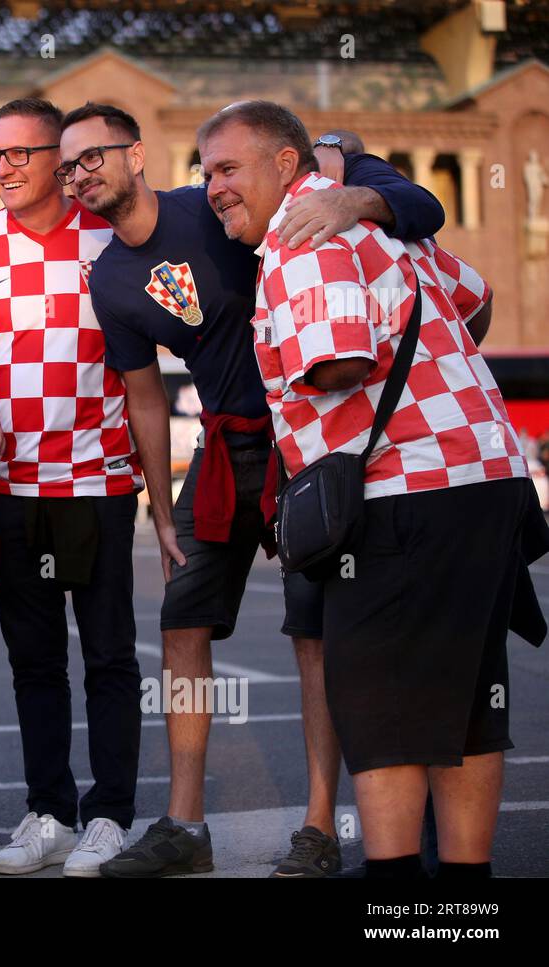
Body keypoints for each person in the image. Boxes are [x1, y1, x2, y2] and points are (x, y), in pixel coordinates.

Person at [59, 103, 446, 878]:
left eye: (92, 155)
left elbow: (416, 205)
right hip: (225, 445)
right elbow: (142, 396)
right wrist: (161, 515)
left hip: (310, 438)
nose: (80, 174)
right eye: (67, 166)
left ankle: (318, 826)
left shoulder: (211, 201)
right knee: (181, 622)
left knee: (314, 632)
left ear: (135, 155)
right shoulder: (109, 279)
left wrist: (347, 181)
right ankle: (184, 824)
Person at [198, 99, 543, 879]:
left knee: (379, 715)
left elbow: (338, 362)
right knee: (469, 710)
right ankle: (463, 902)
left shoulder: (302, 236)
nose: (213, 186)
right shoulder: (386, 228)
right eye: (205, 171)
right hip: (483, 480)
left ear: (287, 164)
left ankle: (399, 904)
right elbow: (475, 297)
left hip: (403, 494)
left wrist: (283, 377)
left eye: (227, 167)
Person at [0, 98, 143, 878]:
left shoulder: (112, 242)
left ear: (60, 161)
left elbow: (144, 375)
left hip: (97, 480)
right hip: (8, 485)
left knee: (109, 656)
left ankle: (112, 814)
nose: (3, 171)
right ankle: (50, 811)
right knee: (34, 661)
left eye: (19, 155)